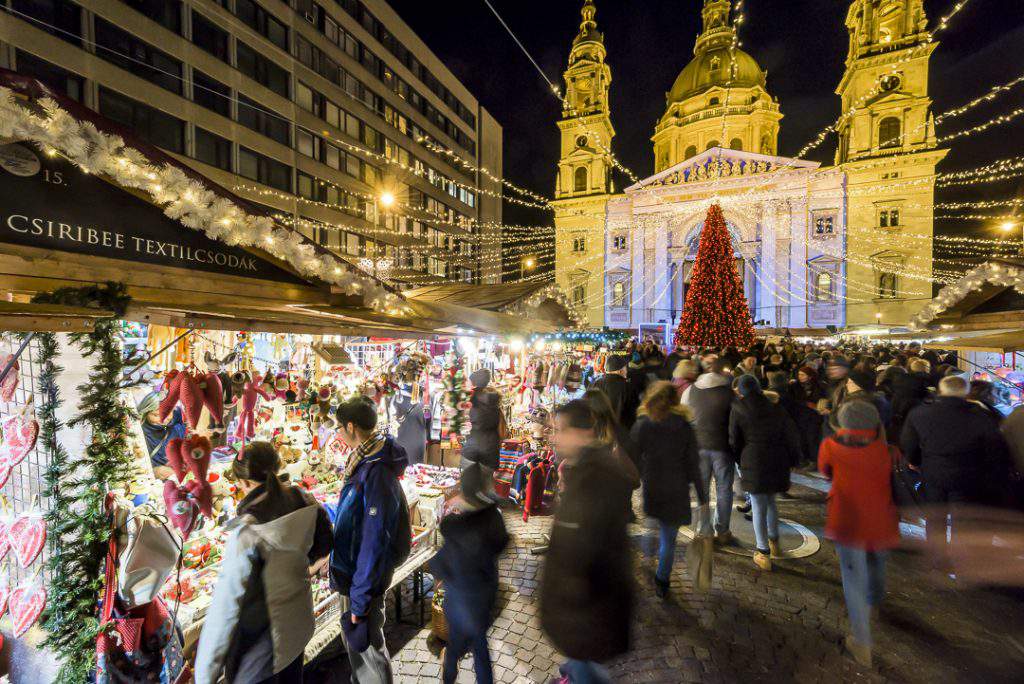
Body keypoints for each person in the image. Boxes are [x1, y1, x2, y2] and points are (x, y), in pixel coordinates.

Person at [195, 442, 333, 683]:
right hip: (298, 626)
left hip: (262, 651)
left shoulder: (248, 532)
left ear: (244, 483)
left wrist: (205, 673)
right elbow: (324, 544)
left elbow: (226, 608)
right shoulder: (305, 500)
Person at [541, 400, 633, 684]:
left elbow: (585, 550)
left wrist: (564, 600)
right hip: (586, 610)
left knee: (587, 671)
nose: (555, 438)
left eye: (561, 430)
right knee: (585, 667)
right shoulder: (585, 469)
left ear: (583, 433)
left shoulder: (595, 478)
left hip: (586, 612)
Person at [331, 396, 412, 684]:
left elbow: (374, 539)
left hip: (362, 578)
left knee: (368, 654)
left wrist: (360, 597)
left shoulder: (376, 471)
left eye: (339, 427)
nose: (338, 432)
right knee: (361, 653)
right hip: (357, 575)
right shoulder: (367, 461)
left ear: (351, 427)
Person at [818, 402, 900, 668]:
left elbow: (825, 471)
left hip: (848, 520)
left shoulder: (831, 446)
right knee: (877, 565)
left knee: (854, 579)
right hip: (881, 518)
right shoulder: (888, 450)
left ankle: (862, 641)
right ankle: (874, 604)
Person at [901, 375, 1012, 569]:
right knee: (963, 520)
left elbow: (909, 443)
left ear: (941, 390)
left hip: (933, 473)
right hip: (968, 476)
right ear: (966, 392)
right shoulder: (980, 416)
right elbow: (994, 449)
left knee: (936, 516)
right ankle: (962, 561)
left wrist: (915, 462)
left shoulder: (920, 413)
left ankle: (937, 558)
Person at [431, 463, 509, 684]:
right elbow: (501, 542)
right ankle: (461, 670)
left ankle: (449, 672)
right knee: (478, 646)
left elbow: (440, 563)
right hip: (482, 598)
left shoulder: (456, 526)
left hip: (460, 599)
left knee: (458, 644)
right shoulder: (493, 519)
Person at [631, 382, 707, 597]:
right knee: (668, 539)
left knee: (651, 522)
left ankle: (647, 556)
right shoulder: (684, 426)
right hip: (677, 487)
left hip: (653, 484)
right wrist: (702, 497)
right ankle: (662, 580)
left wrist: (640, 473)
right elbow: (693, 464)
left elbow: (633, 454)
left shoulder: (644, 423)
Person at [729, 374, 802, 571]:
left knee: (758, 505)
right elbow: (791, 434)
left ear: (741, 391)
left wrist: (739, 459)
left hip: (754, 458)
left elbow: (734, 439)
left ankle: (763, 552)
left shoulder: (739, 408)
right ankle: (774, 542)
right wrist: (794, 459)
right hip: (778, 458)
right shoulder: (775, 406)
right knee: (770, 501)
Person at [683, 357, 736, 544]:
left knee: (702, 489)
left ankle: (704, 530)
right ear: (722, 372)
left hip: (698, 446)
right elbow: (735, 421)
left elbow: (685, 417)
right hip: (723, 447)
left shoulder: (691, 390)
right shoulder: (729, 393)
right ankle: (723, 530)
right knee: (724, 489)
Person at [462, 369, 504, 480]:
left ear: (474, 383)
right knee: (486, 483)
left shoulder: (471, 400)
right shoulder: (495, 402)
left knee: (470, 483)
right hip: (491, 449)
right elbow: (502, 430)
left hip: (473, 447)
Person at [137, 391, 186, 481]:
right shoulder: (138, 433)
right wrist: (153, 471)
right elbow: (135, 465)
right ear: (145, 413)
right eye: (156, 415)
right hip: (153, 482)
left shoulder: (177, 424)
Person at [591, 354, 639, 428]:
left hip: (599, 429)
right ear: (620, 371)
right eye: (625, 368)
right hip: (622, 430)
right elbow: (635, 411)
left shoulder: (595, 384)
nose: (627, 371)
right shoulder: (628, 387)